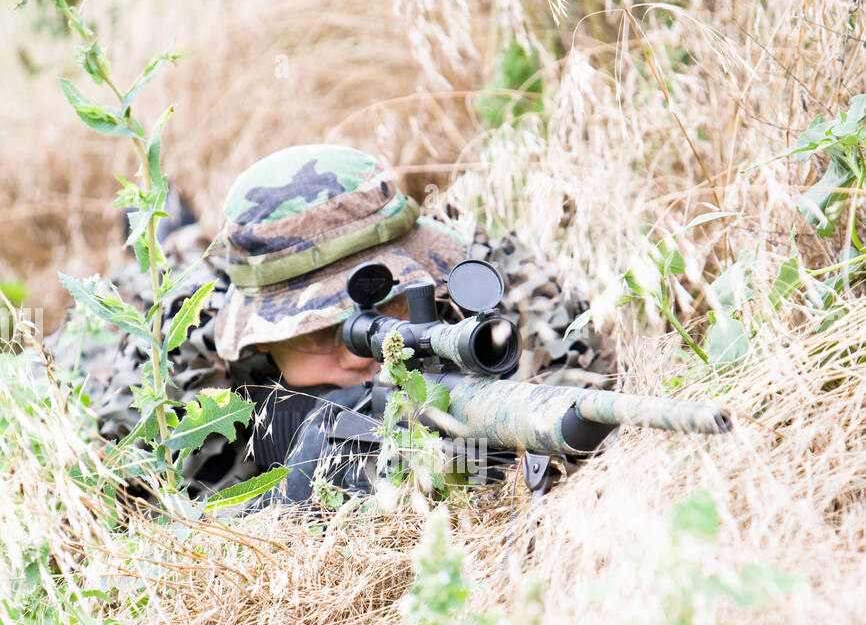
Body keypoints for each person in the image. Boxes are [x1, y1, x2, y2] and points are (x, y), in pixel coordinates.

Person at [49, 143, 616, 503]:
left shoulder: (478, 282)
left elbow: (577, 382)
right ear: (264, 343)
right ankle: (170, 226)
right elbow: (131, 485)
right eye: (322, 333)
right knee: (162, 263)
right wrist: (287, 500)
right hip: (179, 299)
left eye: (386, 308)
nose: (358, 354)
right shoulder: (184, 360)